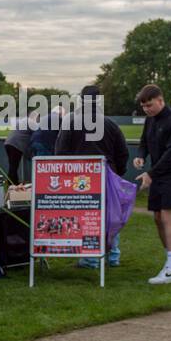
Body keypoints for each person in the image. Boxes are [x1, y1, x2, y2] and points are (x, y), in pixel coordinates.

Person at [57, 84, 130, 268]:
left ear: (81, 100)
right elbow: (123, 153)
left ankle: (90, 258)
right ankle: (112, 256)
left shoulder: (71, 122)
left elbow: (60, 151)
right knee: (110, 214)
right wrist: (117, 173)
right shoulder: (110, 123)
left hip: (80, 175)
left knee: (87, 215)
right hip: (107, 173)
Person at [133, 84, 171, 284]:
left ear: (161, 100)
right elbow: (143, 143)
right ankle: (170, 261)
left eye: (150, 105)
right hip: (158, 173)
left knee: (167, 217)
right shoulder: (150, 120)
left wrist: (150, 174)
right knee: (157, 217)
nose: (147, 109)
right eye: (144, 106)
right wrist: (140, 156)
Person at [3, 112, 36, 183]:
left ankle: (12, 183)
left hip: (9, 143)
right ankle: (13, 184)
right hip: (16, 145)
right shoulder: (31, 122)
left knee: (13, 166)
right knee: (13, 166)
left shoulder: (23, 120)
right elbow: (38, 133)